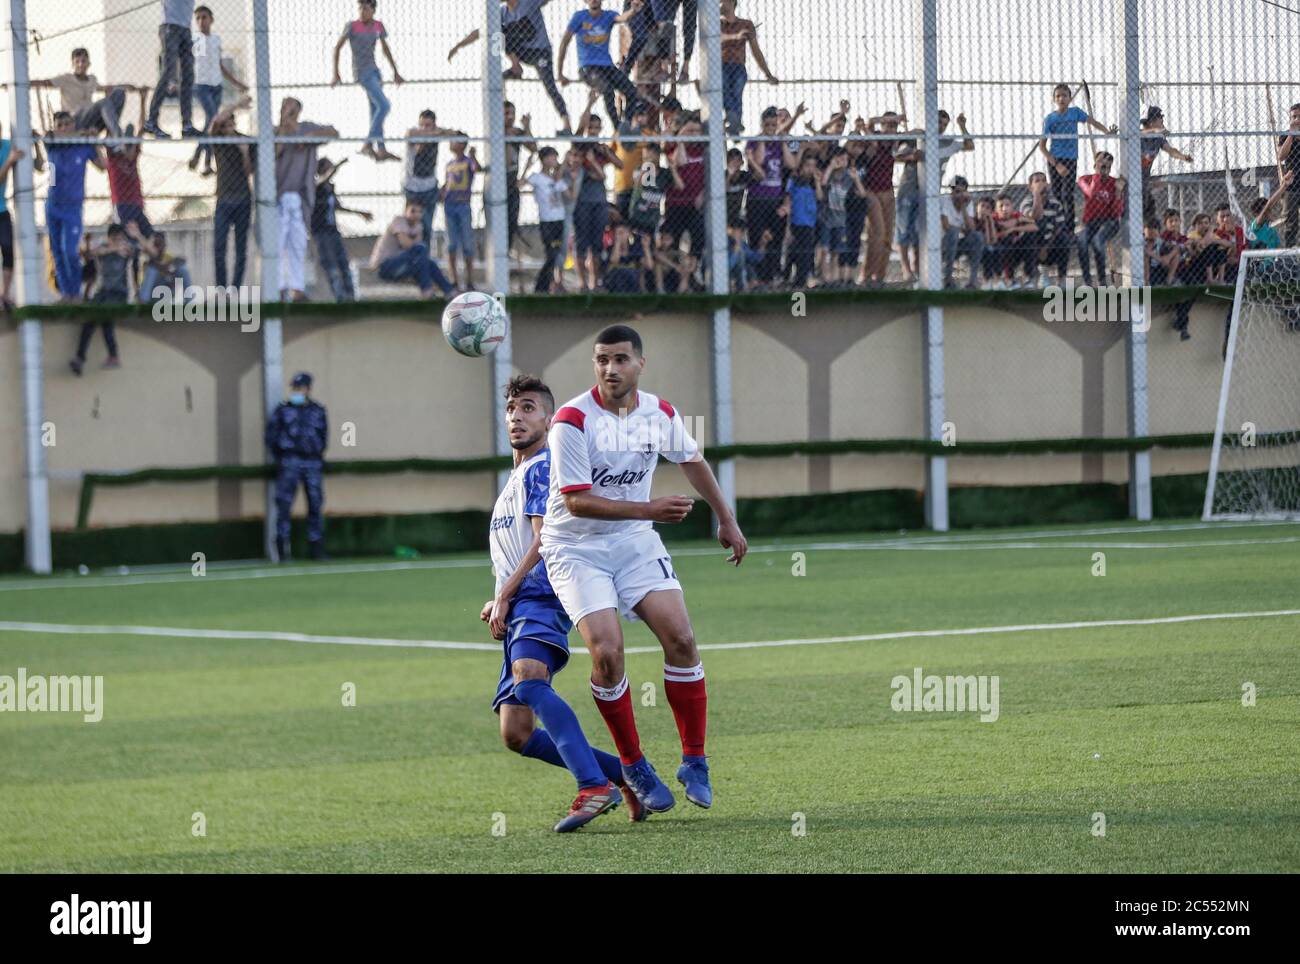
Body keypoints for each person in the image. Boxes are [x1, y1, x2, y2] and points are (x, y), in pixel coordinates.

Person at [540, 323, 748, 814]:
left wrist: (727, 519)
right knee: (608, 653)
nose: (610, 368)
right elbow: (576, 503)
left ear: (640, 364)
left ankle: (694, 759)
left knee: (681, 639)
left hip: (633, 541)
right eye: (601, 359)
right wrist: (649, 509)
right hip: (575, 547)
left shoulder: (659, 412)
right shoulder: (571, 420)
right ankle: (633, 762)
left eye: (620, 359)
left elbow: (692, 460)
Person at [485, 374, 639, 832]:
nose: (517, 416)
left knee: (530, 680)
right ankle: (626, 775)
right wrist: (498, 599)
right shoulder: (515, 476)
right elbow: (515, 550)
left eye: (529, 408)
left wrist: (507, 594)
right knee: (516, 733)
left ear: (549, 419)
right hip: (518, 604)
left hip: (541, 596)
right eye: (512, 409)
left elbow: (542, 541)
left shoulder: (540, 466)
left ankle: (593, 785)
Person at [449, 1, 572, 133]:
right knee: (497, 30)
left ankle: (566, 124)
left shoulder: (527, 3)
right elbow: (480, 31)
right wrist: (459, 46)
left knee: (549, 86)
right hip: (522, 52)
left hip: (540, 52)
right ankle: (515, 67)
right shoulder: (502, 12)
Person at [894, 110, 973, 285]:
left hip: (929, 193)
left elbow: (969, 145)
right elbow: (896, 155)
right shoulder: (917, 136)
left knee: (920, 233)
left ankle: (918, 272)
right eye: (938, 122)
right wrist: (913, 155)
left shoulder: (947, 142)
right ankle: (906, 270)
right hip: (909, 189)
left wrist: (962, 126)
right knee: (903, 230)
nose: (941, 127)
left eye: (945, 124)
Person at [33, 112, 105, 303]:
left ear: (73, 124)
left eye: (67, 124)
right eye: (60, 125)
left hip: (72, 207)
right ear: (56, 127)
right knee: (56, 251)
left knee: (70, 251)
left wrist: (94, 140)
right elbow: (45, 142)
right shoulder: (52, 144)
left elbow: (102, 165)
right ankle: (67, 293)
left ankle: (75, 293)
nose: (64, 128)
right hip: (53, 205)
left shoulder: (83, 146)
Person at [275, 98, 338, 301]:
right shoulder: (275, 131)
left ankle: (296, 288)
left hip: (301, 197)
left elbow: (333, 132)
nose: (289, 113)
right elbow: (274, 152)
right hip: (278, 196)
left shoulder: (307, 128)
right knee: (277, 245)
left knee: (298, 244)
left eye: (294, 110)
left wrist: (305, 135)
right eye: (287, 109)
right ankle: (278, 288)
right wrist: (287, 131)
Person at [557, 0, 650, 128]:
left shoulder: (608, 15)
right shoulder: (579, 17)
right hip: (588, 67)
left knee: (631, 92)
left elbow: (622, 18)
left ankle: (626, 124)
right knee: (607, 90)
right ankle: (617, 127)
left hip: (607, 66)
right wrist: (560, 73)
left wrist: (633, 10)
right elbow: (564, 42)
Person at [266, 372, 328, 562]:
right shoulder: (282, 410)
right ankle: (283, 550)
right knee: (284, 505)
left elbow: (324, 437)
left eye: (300, 388)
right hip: (289, 461)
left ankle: (316, 549)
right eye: (294, 388)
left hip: (312, 462)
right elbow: (271, 437)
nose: (296, 391)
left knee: (315, 505)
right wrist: (282, 457)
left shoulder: (318, 410)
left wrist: (315, 455)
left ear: (308, 389)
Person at [333, 0, 404, 162]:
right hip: (362, 73)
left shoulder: (378, 25)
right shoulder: (352, 26)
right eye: (360, 8)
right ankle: (368, 144)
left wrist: (395, 71)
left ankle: (381, 148)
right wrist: (336, 73)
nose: (362, 11)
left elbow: (385, 49)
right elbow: (337, 48)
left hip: (375, 71)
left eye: (365, 8)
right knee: (384, 105)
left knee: (376, 111)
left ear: (373, 10)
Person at [1037, 83, 1117, 225]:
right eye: (1058, 96)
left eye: (1065, 96)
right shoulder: (1050, 119)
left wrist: (1106, 131)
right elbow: (1042, 147)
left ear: (1070, 98)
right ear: (1054, 99)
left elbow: (1092, 122)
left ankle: (1069, 227)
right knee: (1056, 194)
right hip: (1055, 159)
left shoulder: (1075, 112)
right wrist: (1056, 165)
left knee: (1067, 194)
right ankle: (1057, 225)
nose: (1061, 99)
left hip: (1071, 159)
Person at [189, 5, 248, 174]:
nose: (201, 21)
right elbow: (190, 62)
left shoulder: (216, 40)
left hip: (216, 86)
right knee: (213, 119)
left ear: (211, 20)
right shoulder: (196, 40)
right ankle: (204, 160)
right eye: (198, 18)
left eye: (204, 17)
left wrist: (237, 83)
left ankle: (202, 158)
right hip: (202, 85)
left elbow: (220, 65)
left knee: (211, 122)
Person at [32, 48, 139, 140]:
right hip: (74, 120)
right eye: (77, 62)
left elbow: (106, 88)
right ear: (73, 64)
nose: (81, 64)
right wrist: (23, 83)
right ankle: (118, 136)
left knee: (119, 93)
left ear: (88, 63)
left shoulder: (92, 80)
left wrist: (125, 86)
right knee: (103, 103)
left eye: (83, 61)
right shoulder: (66, 79)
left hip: (91, 119)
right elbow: (45, 82)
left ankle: (111, 132)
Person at [69, 224, 134, 375]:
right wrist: (112, 248)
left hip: (118, 293)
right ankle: (80, 357)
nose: (119, 242)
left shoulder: (126, 249)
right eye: (116, 239)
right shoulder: (104, 248)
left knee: (105, 317)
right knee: (89, 321)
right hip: (102, 293)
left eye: (121, 239)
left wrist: (118, 247)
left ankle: (113, 355)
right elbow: (90, 253)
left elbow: (128, 251)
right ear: (109, 238)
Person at [313, 157, 373, 302]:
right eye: (329, 167)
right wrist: (338, 165)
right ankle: (339, 296)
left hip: (333, 231)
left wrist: (359, 213)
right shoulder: (316, 186)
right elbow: (323, 179)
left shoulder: (330, 188)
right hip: (321, 232)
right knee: (330, 264)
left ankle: (350, 296)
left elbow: (338, 206)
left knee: (343, 263)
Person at [368, 199, 455, 297]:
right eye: (413, 211)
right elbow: (406, 244)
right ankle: (427, 290)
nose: (416, 214)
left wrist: (418, 230)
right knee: (421, 250)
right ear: (405, 211)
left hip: (404, 265)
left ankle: (449, 292)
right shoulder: (398, 221)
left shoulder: (418, 225)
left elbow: (417, 251)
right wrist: (418, 236)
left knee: (428, 263)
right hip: (384, 267)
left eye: (420, 212)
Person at [210, 99, 255, 288]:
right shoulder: (218, 142)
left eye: (231, 124)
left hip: (243, 199)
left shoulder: (244, 141)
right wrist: (236, 105)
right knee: (219, 248)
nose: (229, 128)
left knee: (240, 248)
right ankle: (221, 288)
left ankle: (234, 289)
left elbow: (249, 172)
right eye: (225, 125)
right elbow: (215, 122)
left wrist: (244, 153)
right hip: (224, 199)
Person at [718, 0, 778, 135]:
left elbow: (756, 51)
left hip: (738, 65)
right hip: (721, 66)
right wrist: (736, 36)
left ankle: (734, 121)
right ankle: (735, 122)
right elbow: (715, 38)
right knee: (725, 88)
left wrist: (768, 74)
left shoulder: (746, 24)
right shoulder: (716, 24)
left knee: (737, 92)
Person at [143, 0, 201, 139]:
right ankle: (152, 121)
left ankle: (186, 125)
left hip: (185, 28)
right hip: (170, 25)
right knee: (169, 72)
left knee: (188, 75)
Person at [859, 111, 903, 286]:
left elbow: (915, 131)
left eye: (894, 125)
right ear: (883, 125)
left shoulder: (895, 142)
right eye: (889, 125)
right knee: (877, 233)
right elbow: (870, 122)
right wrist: (891, 119)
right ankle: (867, 275)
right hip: (871, 190)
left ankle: (880, 276)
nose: (892, 128)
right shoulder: (874, 136)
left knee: (888, 236)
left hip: (888, 190)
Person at [523, 146, 572, 292]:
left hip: (559, 221)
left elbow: (570, 196)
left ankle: (548, 286)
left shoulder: (557, 179)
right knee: (551, 255)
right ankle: (541, 287)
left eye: (556, 157)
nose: (554, 160)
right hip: (547, 222)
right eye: (551, 157)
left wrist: (563, 174)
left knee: (557, 254)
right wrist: (527, 167)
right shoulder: (537, 178)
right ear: (544, 160)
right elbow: (520, 184)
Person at [402, 110, 455, 244]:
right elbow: (410, 134)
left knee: (426, 226)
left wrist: (438, 132)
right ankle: (410, 257)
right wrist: (433, 133)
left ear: (434, 125)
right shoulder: (414, 134)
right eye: (422, 125)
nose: (424, 129)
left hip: (429, 188)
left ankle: (423, 257)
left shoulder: (437, 135)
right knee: (410, 226)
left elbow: (453, 133)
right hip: (412, 188)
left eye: (428, 125)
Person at [441, 135, 483, 290]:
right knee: (451, 244)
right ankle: (454, 279)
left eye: (455, 140)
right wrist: (442, 192)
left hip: (463, 205)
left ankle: (470, 280)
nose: (451, 143)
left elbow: (477, 169)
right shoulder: (449, 164)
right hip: (449, 205)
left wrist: (473, 156)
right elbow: (448, 183)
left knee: (467, 244)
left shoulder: (468, 161)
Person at [1076, 151, 1124, 286]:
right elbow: (1091, 193)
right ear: (1095, 164)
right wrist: (1097, 173)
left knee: (1098, 240)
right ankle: (1087, 281)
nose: (1105, 168)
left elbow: (1116, 213)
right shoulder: (1085, 179)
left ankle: (1102, 280)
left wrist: (1118, 193)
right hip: (1091, 223)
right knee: (1082, 241)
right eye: (1102, 163)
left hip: (1110, 222)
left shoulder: (1114, 183)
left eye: (1108, 165)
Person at [1138, 106, 1190, 220]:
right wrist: (1155, 131)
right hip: (1131, 180)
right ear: (1151, 122)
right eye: (1159, 118)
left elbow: (1170, 150)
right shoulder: (1138, 135)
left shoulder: (1158, 138)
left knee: (1148, 210)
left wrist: (1182, 157)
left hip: (1144, 180)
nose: (1162, 120)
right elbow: (1138, 132)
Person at [1021, 171, 1072, 286]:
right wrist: (1037, 195)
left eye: (1043, 180)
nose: (1041, 183)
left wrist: (1046, 247)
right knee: (1032, 232)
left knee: (1064, 238)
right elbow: (1035, 216)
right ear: (1030, 187)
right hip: (1033, 243)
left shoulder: (1055, 203)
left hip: (1050, 243)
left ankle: (1062, 279)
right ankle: (1031, 278)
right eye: (1037, 181)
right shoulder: (1026, 203)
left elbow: (1059, 228)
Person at [939, 176, 984, 289]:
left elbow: (971, 228)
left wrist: (963, 206)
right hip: (943, 243)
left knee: (977, 236)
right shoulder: (944, 200)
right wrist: (961, 229)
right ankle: (948, 279)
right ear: (952, 192)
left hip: (960, 243)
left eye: (963, 192)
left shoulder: (967, 203)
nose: (960, 195)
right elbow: (946, 226)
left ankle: (972, 282)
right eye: (957, 192)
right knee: (953, 233)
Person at [0, 122, 24, 311]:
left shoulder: (7, 145)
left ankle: (5, 294)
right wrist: (9, 161)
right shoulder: (8, 153)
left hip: (1, 210)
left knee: (8, 250)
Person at [139, 230, 194, 302]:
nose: (158, 248)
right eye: (156, 245)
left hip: (166, 291)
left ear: (164, 245)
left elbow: (182, 260)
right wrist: (165, 267)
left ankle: (190, 302)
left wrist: (171, 265)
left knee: (183, 269)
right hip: (150, 294)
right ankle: (143, 305)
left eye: (160, 245)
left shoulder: (167, 256)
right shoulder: (144, 257)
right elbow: (150, 266)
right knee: (152, 270)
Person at [1275, 103, 1300, 245]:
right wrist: (1291, 135)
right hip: (1292, 184)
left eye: (1299, 116)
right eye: (1293, 117)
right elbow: (1281, 156)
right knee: (1290, 221)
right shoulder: (1285, 135)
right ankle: (1289, 254)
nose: (1296, 119)